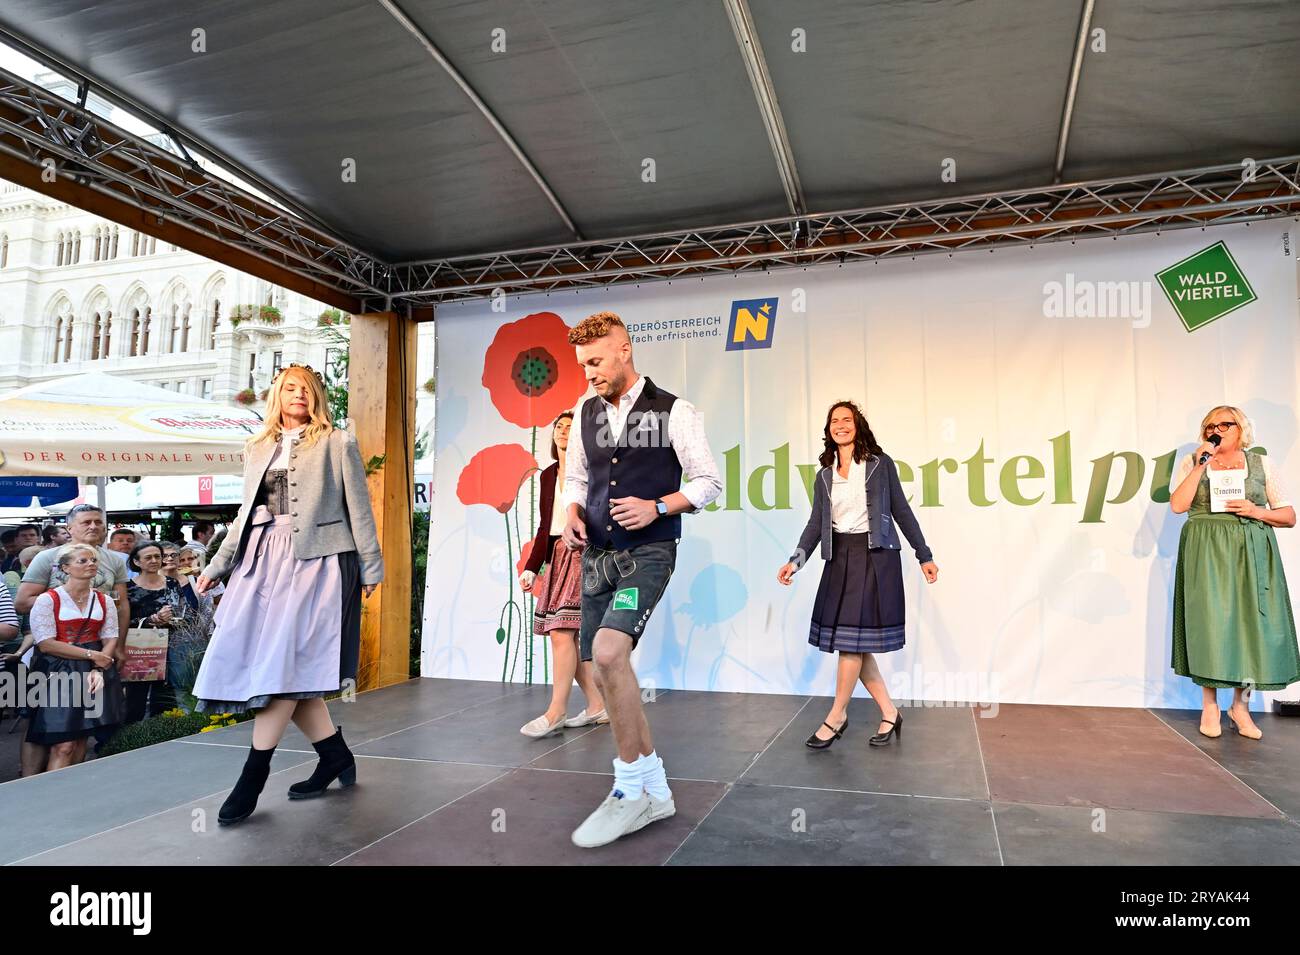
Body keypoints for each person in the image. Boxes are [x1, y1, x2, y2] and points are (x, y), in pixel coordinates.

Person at [192, 363, 383, 825]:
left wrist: (372, 566)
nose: (299, 394)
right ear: (277, 395)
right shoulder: (258, 445)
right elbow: (244, 512)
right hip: (262, 561)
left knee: (281, 668)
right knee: (292, 669)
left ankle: (253, 777)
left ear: (317, 396)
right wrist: (217, 566)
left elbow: (359, 505)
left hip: (318, 562)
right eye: (290, 388)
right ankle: (335, 756)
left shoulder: (337, 441)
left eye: (307, 389)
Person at [562, 311, 722, 848]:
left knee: (608, 654)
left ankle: (630, 791)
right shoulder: (585, 412)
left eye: (597, 361)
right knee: (603, 668)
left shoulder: (675, 411)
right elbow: (577, 478)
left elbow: (707, 483)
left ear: (625, 349)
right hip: (597, 555)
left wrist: (657, 505)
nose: (589, 373)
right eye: (583, 365)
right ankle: (653, 789)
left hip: (649, 551)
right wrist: (571, 513)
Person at [778, 401, 939, 749]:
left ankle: (836, 715)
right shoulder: (824, 474)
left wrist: (923, 554)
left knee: (849, 644)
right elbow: (815, 524)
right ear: (828, 430)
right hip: (841, 559)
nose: (840, 425)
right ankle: (889, 712)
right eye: (834, 421)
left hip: (875, 558)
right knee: (857, 644)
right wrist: (796, 560)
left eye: (846, 420)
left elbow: (901, 510)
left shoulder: (880, 465)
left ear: (857, 425)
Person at [1169, 406, 1297, 740]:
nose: (1216, 429)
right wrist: (1201, 464)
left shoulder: (1261, 463)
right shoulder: (1193, 461)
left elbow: (1288, 515)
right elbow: (1178, 505)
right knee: (1210, 624)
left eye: (1224, 424)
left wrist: (1256, 511)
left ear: (1240, 428)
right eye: (1210, 425)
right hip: (1207, 549)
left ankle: (1240, 707)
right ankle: (1209, 704)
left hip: (1251, 549)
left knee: (1250, 626)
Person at [519, 411, 606, 738]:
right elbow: (545, 527)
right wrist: (532, 566)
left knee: (562, 633)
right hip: (557, 554)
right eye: (559, 426)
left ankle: (555, 712)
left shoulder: (593, 470)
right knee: (569, 636)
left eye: (570, 427)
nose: (563, 431)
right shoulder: (547, 475)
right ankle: (598, 706)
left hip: (585, 553)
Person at [24, 543, 124, 771]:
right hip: (59, 671)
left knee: (82, 738)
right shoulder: (47, 599)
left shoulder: (104, 600)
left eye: (93, 560)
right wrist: (93, 655)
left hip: (93, 669)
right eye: (83, 560)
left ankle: (70, 791)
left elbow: (110, 637)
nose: (91, 564)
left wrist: (99, 668)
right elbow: (46, 644)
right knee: (64, 743)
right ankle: (51, 795)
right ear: (65, 567)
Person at [122, 541, 186, 720]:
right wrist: (151, 620)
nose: (154, 560)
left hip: (169, 646)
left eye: (158, 556)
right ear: (137, 562)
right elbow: (121, 622)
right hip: (139, 650)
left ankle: (161, 738)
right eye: (148, 557)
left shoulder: (173, 583)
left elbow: (182, 612)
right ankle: (129, 740)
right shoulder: (127, 587)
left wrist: (171, 618)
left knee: (165, 699)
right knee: (135, 698)